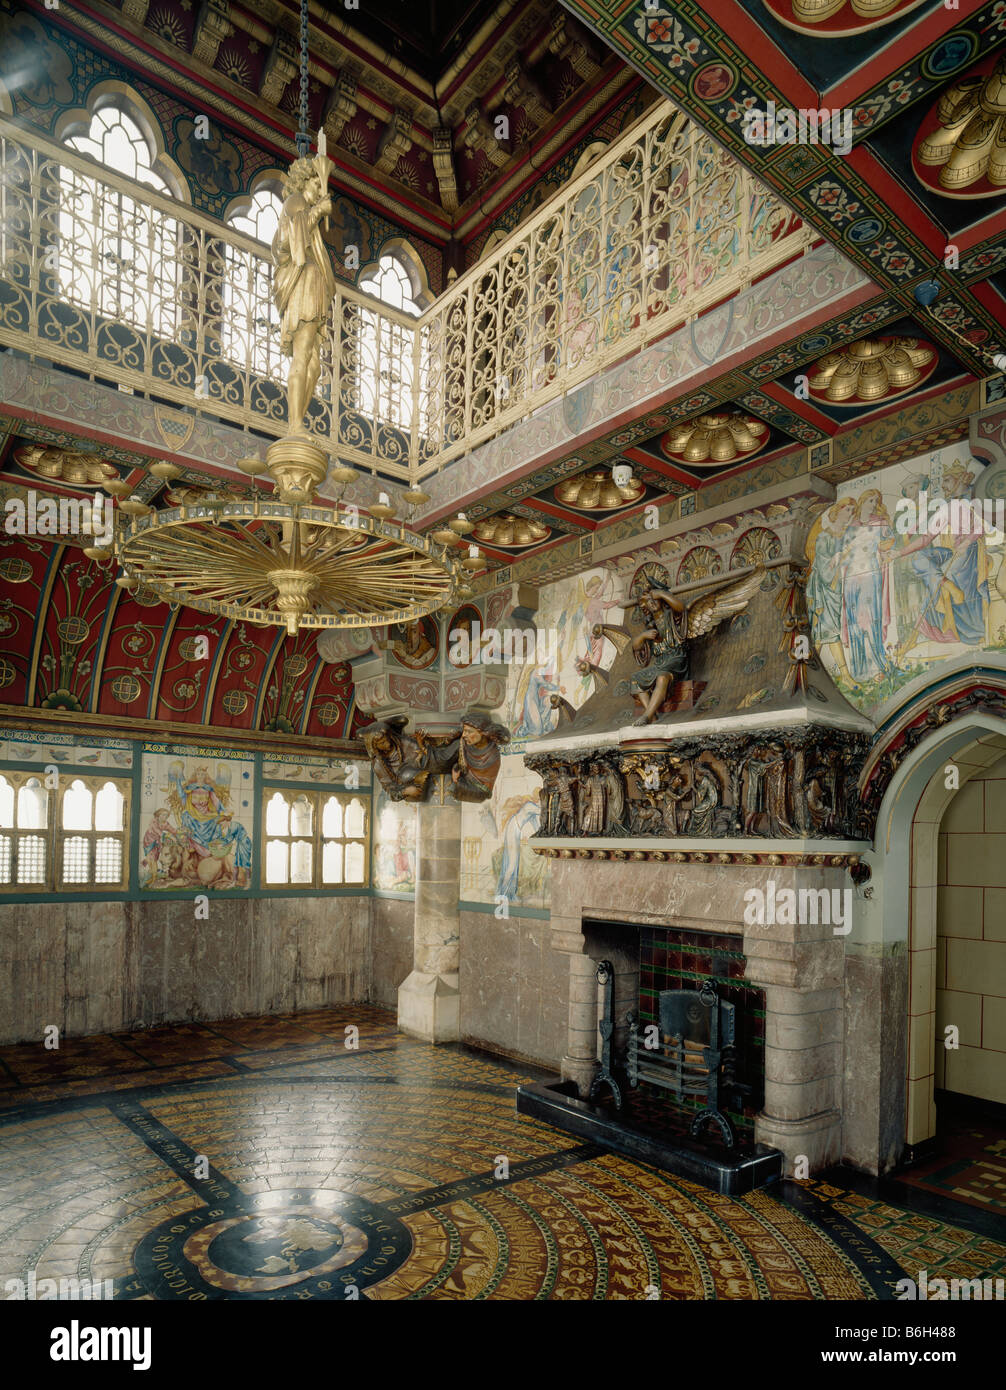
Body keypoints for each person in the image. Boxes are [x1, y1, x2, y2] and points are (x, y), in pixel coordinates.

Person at [273, 156, 336, 429]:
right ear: (302, 181)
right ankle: (294, 425)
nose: (320, 191)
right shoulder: (295, 201)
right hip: (303, 283)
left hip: (313, 283)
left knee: (315, 366)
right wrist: (318, 211)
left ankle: (298, 422)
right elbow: (290, 240)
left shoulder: (304, 206)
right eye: (315, 183)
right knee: (302, 356)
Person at [630, 584, 688, 725]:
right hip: (660, 663)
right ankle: (653, 715)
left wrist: (661, 593)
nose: (653, 603)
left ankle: (647, 716)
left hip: (675, 659)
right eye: (649, 602)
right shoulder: (651, 626)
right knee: (635, 679)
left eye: (655, 600)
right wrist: (643, 636)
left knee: (662, 677)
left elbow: (681, 608)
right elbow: (636, 646)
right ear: (646, 608)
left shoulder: (671, 615)